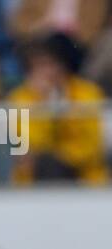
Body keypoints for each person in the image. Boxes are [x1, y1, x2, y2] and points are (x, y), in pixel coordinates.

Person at [7, 31, 108, 181]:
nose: (47, 72)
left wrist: (63, 155)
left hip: (83, 178)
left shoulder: (88, 94)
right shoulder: (20, 98)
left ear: (63, 64)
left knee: (54, 164)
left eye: (50, 63)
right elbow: (26, 148)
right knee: (49, 165)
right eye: (39, 65)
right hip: (35, 181)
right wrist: (43, 104)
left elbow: (93, 146)